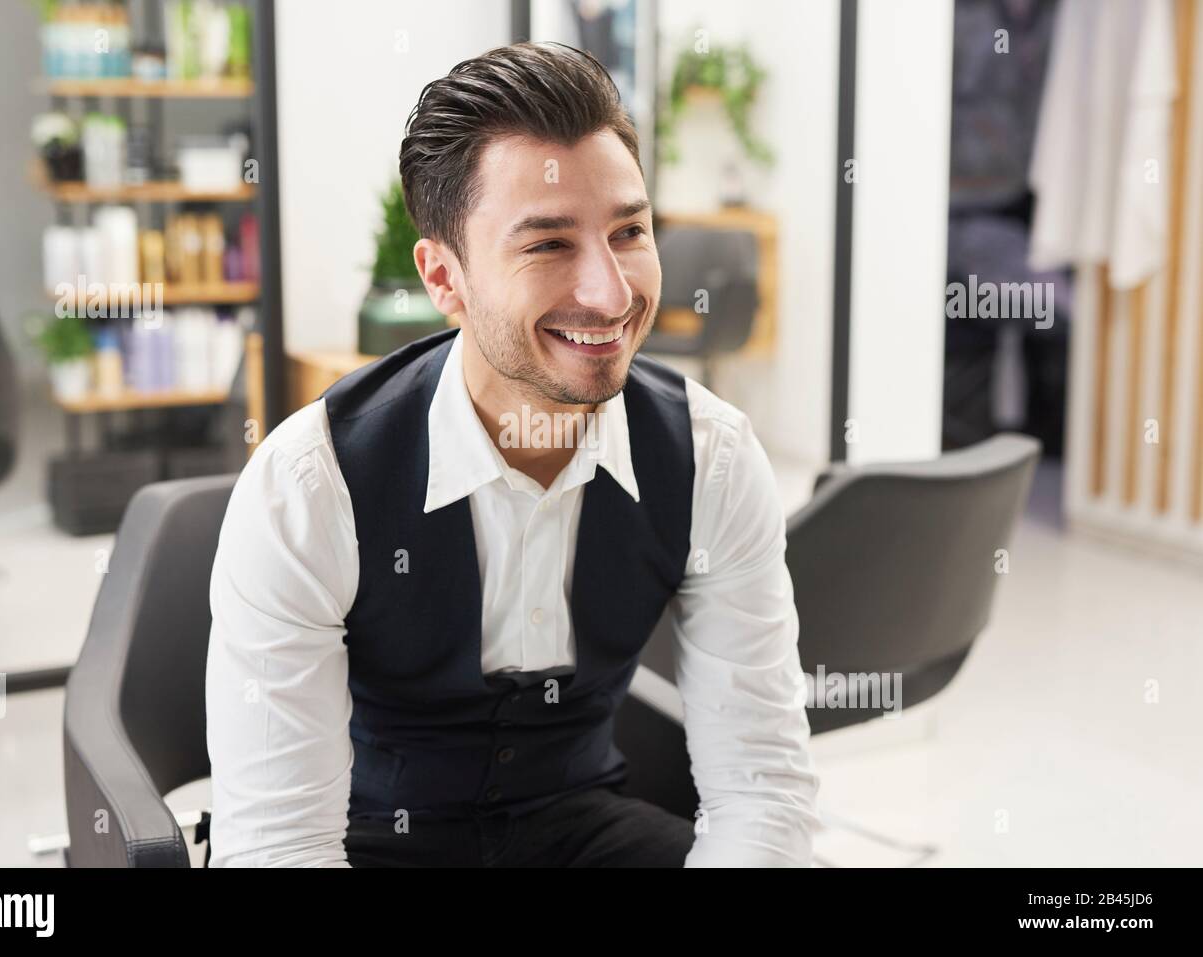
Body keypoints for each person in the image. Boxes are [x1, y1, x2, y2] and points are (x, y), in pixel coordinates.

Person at [206, 42, 820, 867]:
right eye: (547, 245)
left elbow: (762, 788)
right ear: (445, 277)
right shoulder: (310, 487)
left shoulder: (712, 458)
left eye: (629, 231)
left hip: (581, 828)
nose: (611, 293)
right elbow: (280, 848)